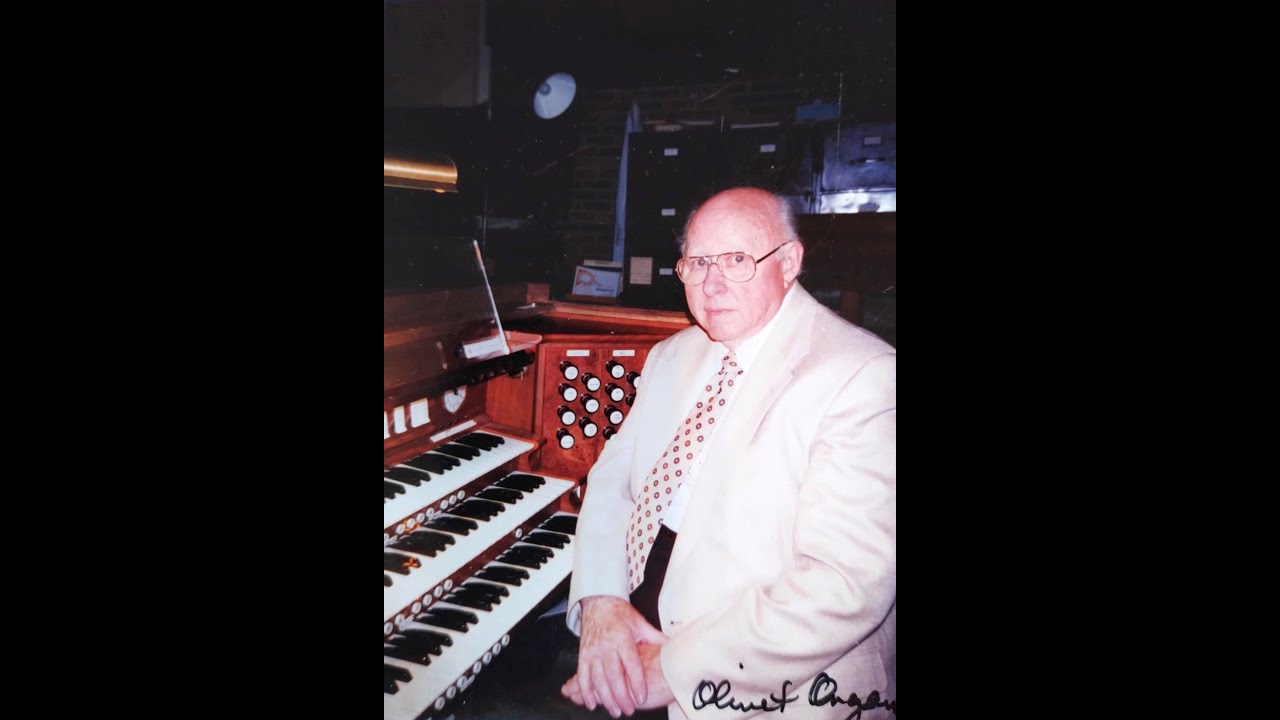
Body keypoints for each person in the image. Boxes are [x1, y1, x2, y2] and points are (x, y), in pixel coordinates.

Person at [560, 187, 896, 719]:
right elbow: (611, 480)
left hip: (778, 687)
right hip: (637, 619)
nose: (711, 285)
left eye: (738, 261)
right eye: (696, 263)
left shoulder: (864, 375)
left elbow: (842, 586)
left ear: (790, 262)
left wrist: (672, 668)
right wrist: (601, 602)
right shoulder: (673, 354)